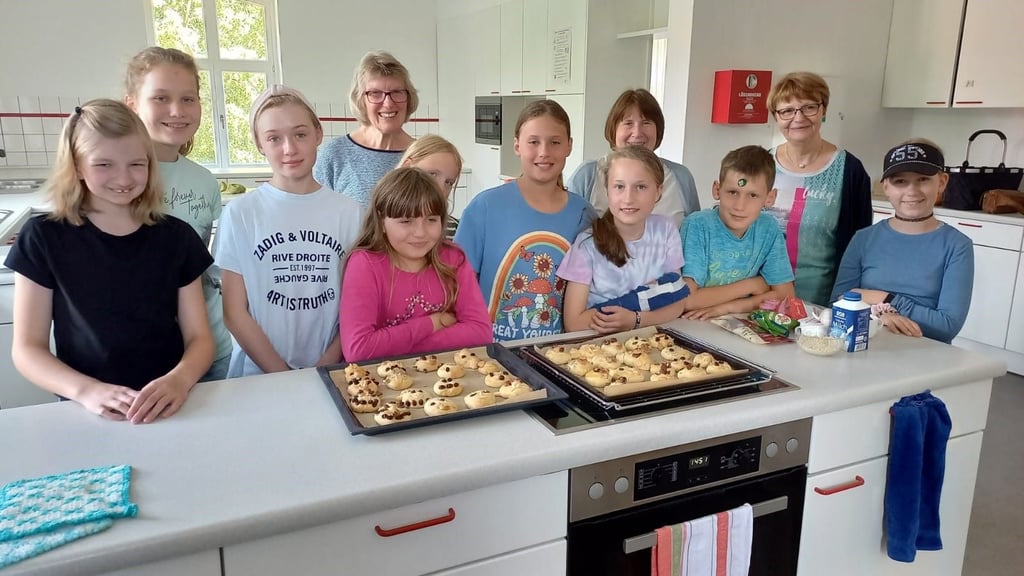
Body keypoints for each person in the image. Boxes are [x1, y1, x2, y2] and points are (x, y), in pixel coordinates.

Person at [5, 99, 214, 423]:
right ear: (77, 165)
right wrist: (87, 392)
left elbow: (200, 339)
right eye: (104, 164)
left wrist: (180, 380)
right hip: (85, 410)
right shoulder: (43, 238)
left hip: (172, 407)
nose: (124, 177)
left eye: (136, 164)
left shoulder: (177, 238)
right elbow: (27, 350)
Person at [214, 85, 362, 377]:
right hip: (257, 376)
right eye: (274, 138)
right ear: (259, 144)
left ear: (318, 134)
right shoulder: (240, 214)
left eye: (300, 134)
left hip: (331, 370)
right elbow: (234, 312)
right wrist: (282, 374)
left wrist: (324, 367)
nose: (289, 148)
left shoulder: (350, 213)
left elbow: (358, 304)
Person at [124, 46, 232, 382]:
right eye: (160, 98)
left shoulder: (203, 181)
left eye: (188, 98)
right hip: (146, 354)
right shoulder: (118, 182)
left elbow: (209, 268)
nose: (177, 110)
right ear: (132, 105)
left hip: (213, 346)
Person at [454, 100, 593, 342]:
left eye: (555, 142)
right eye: (533, 142)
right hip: (491, 355)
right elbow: (457, 287)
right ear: (517, 145)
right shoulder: (485, 207)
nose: (544, 152)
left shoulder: (584, 214)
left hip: (561, 356)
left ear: (569, 146)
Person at [340, 168, 492, 362]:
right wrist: (433, 322)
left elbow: (481, 333)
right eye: (406, 221)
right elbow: (359, 350)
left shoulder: (453, 258)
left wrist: (395, 344)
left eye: (431, 220)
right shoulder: (365, 263)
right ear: (381, 221)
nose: (420, 233)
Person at [831, 141, 973, 344]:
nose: (912, 191)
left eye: (923, 179)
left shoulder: (957, 246)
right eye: (900, 181)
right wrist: (881, 316)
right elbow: (838, 302)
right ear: (886, 187)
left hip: (925, 354)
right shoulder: (863, 238)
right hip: (864, 346)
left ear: (942, 182)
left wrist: (886, 299)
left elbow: (947, 327)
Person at [766, 72, 872, 306]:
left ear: (823, 110)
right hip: (761, 297)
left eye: (809, 107)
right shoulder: (761, 166)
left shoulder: (850, 171)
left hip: (822, 301)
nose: (798, 117)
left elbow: (860, 246)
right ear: (776, 116)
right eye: (787, 110)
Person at [558, 146, 688, 334]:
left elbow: (677, 300)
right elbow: (574, 322)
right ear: (607, 191)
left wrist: (635, 320)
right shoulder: (586, 244)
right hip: (594, 349)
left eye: (641, 187)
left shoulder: (666, 230)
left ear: (658, 192)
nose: (629, 198)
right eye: (619, 187)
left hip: (651, 341)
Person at [680, 145, 795, 319]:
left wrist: (727, 308)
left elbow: (786, 296)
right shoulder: (698, 226)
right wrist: (750, 285)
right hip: (694, 324)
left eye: (752, 195)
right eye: (733, 192)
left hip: (740, 319)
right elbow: (686, 300)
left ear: (770, 198)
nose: (740, 206)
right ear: (717, 190)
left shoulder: (769, 228)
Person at [567, 88, 700, 228]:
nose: (637, 133)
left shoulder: (681, 177)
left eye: (646, 122)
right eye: (628, 123)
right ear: (614, 129)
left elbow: (695, 236)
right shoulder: (588, 175)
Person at [314, 50, 418, 207]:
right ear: (360, 100)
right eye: (375, 93)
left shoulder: (423, 154)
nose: (388, 103)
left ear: (408, 98)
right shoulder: (334, 154)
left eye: (396, 92)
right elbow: (315, 215)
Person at [396, 134, 463, 238]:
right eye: (432, 174)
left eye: (449, 182)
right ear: (406, 167)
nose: (440, 188)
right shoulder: (383, 221)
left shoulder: (454, 229)